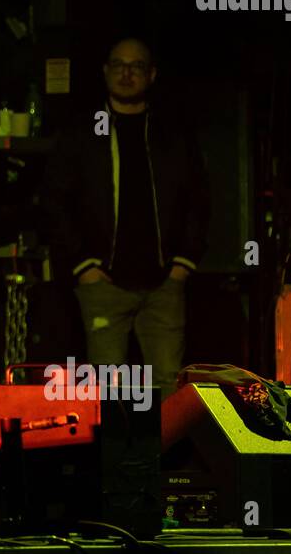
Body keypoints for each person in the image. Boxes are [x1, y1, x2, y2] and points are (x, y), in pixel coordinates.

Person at [43, 36, 210, 399]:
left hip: (164, 283)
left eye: (135, 66)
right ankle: (114, 458)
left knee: (169, 385)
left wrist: (182, 264)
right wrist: (83, 265)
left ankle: (166, 457)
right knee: (107, 390)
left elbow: (199, 200)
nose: (126, 73)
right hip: (103, 284)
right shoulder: (82, 134)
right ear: (105, 71)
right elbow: (57, 202)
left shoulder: (171, 134)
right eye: (118, 65)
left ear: (151, 74)